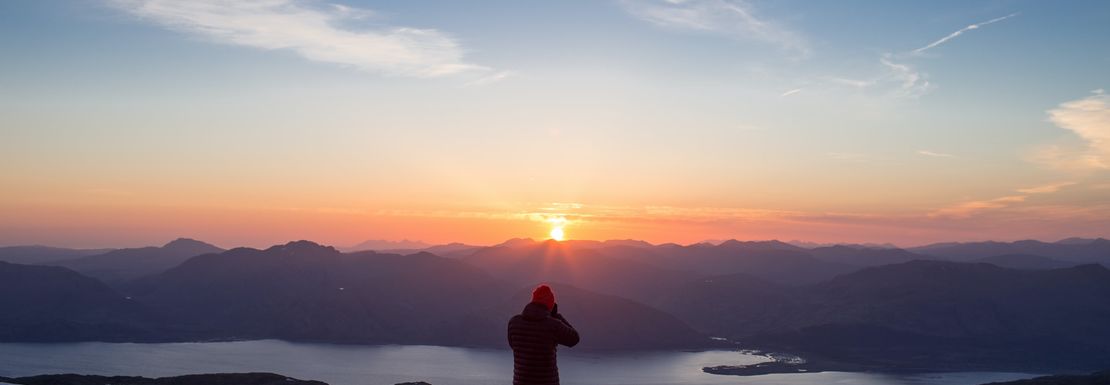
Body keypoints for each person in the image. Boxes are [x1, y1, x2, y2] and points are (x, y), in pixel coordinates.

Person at [507, 284, 580, 385]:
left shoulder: (513, 322)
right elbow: (574, 338)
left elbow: (514, 346)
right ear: (550, 304)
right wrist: (557, 316)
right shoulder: (553, 325)